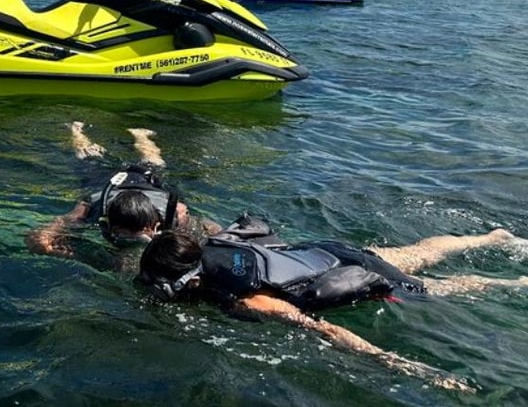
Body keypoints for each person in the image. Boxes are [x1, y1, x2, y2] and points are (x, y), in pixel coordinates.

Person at [137, 215, 527, 391]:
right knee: (418, 252)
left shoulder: (251, 300)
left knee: (431, 288)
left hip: (343, 271)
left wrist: (402, 365)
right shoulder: (212, 244)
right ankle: (492, 238)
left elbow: (323, 329)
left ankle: (514, 282)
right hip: (325, 251)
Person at [26, 122, 220, 264]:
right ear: (109, 225)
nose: (132, 241)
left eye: (140, 234)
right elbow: (41, 236)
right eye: (123, 235)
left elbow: (211, 228)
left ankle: (141, 135)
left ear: (156, 226)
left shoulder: (174, 216)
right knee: (88, 158)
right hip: (108, 185)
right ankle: (76, 130)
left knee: (154, 162)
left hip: (148, 184)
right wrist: (59, 248)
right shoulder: (91, 211)